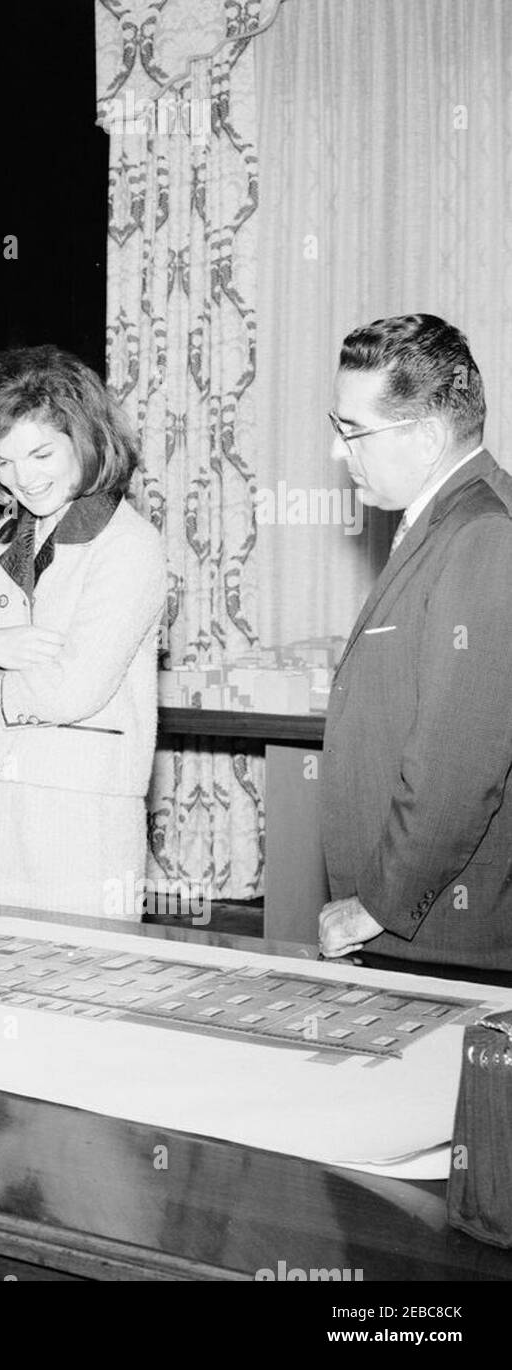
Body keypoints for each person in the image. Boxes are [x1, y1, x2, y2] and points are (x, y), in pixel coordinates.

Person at [0, 345, 167, 917]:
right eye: (4, 463)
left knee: (86, 986)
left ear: (86, 439)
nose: (24, 478)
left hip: (85, 807)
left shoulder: (130, 547)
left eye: (41, 453)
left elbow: (69, 692)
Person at [319, 314, 512, 971]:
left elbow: (458, 762)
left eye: (354, 431)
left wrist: (377, 903)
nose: (341, 452)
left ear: (428, 435)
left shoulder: (484, 535)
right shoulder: (443, 521)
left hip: (439, 929)